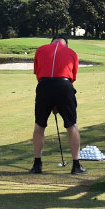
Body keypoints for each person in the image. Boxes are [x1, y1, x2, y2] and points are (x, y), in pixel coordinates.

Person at [30, 36, 86, 175]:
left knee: (40, 124)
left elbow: (38, 73)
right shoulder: (72, 53)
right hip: (64, 85)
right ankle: (76, 165)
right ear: (65, 44)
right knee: (71, 125)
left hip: (44, 85)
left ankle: (37, 164)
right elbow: (72, 77)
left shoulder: (41, 50)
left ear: (52, 42)